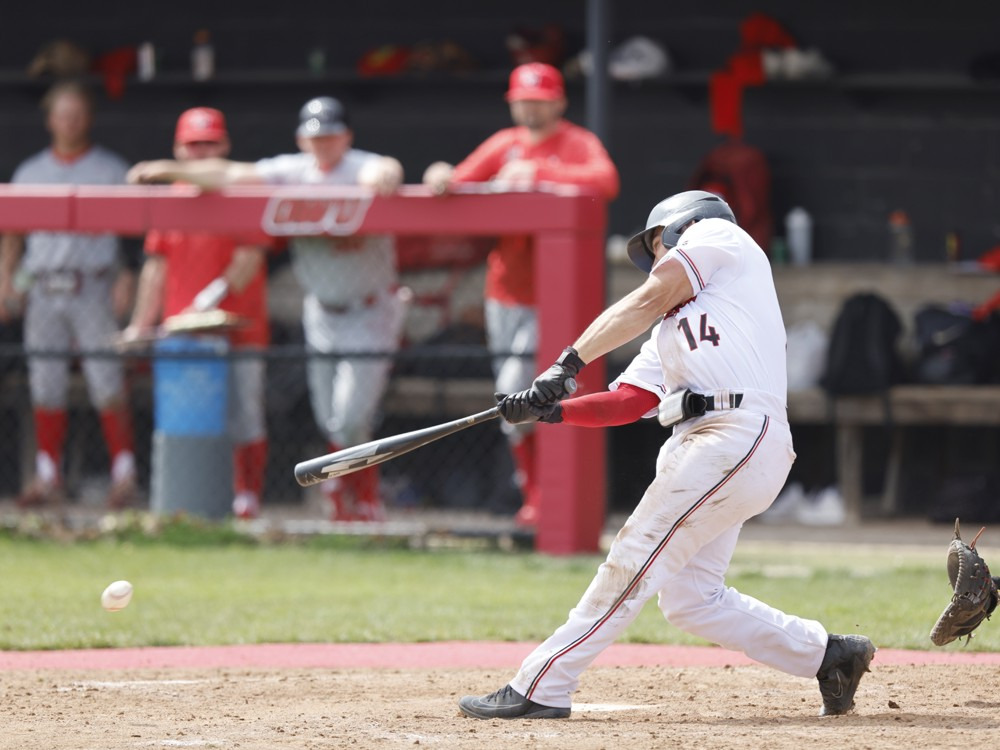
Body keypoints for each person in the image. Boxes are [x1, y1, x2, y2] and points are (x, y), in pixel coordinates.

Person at [460, 190, 876, 719]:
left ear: (678, 228)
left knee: (632, 558)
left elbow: (646, 298)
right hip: (710, 445)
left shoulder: (721, 237)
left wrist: (566, 363)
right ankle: (828, 655)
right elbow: (631, 401)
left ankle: (541, 684)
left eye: (656, 248)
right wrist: (554, 411)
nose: (655, 263)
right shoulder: (672, 330)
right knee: (690, 600)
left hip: (735, 433)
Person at [127, 96, 406, 522]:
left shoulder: (360, 164)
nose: (322, 144)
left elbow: (383, 169)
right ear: (300, 138)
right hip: (322, 310)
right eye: (314, 136)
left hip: (369, 308)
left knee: (350, 415)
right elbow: (230, 174)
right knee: (332, 417)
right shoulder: (292, 170)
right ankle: (351, 499)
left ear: (346, 137)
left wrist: (385, 174)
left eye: (331, 135)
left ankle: (352, 495)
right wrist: (170, 169)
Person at [422, 62, 619, 526]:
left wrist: (541, 175)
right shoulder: (504, 144)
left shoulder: (575, 142)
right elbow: (457, 180)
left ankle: (549, 496)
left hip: (558, 294)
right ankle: (533, 494)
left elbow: (605, 181)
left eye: (540, 99)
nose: (530, 107)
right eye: (523, 99)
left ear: (558, 102)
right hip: (505, 291)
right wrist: (439, 174)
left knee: (531, 389)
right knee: (512, 395)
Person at [121, 107, 271, 520]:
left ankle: (247, 497)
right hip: (182, 331)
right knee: (185, 416)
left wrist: (215, 294)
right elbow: (157, 265)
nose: (202, 152)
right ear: (178, 149)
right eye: (194, 144)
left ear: (225, 146)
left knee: (245, 417)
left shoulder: (244, 191)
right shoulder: (172, 200)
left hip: (239, 327)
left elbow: (251, 255)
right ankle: (186, 506)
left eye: (210, 143)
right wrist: (140, 323)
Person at [0, 80, 137, 509]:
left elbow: (132, 238)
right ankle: (46, 476)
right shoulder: (29, 172)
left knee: (106, 381)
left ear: (89, 118)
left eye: (77, 114)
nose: (70, 121)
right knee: (46, 383)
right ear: (49, 121)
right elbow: (14, 237)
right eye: (63, 114)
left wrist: (127, 277)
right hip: (43, 286)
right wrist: (4, 280)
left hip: (92, 283)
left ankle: (125, 474)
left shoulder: (111, 169)